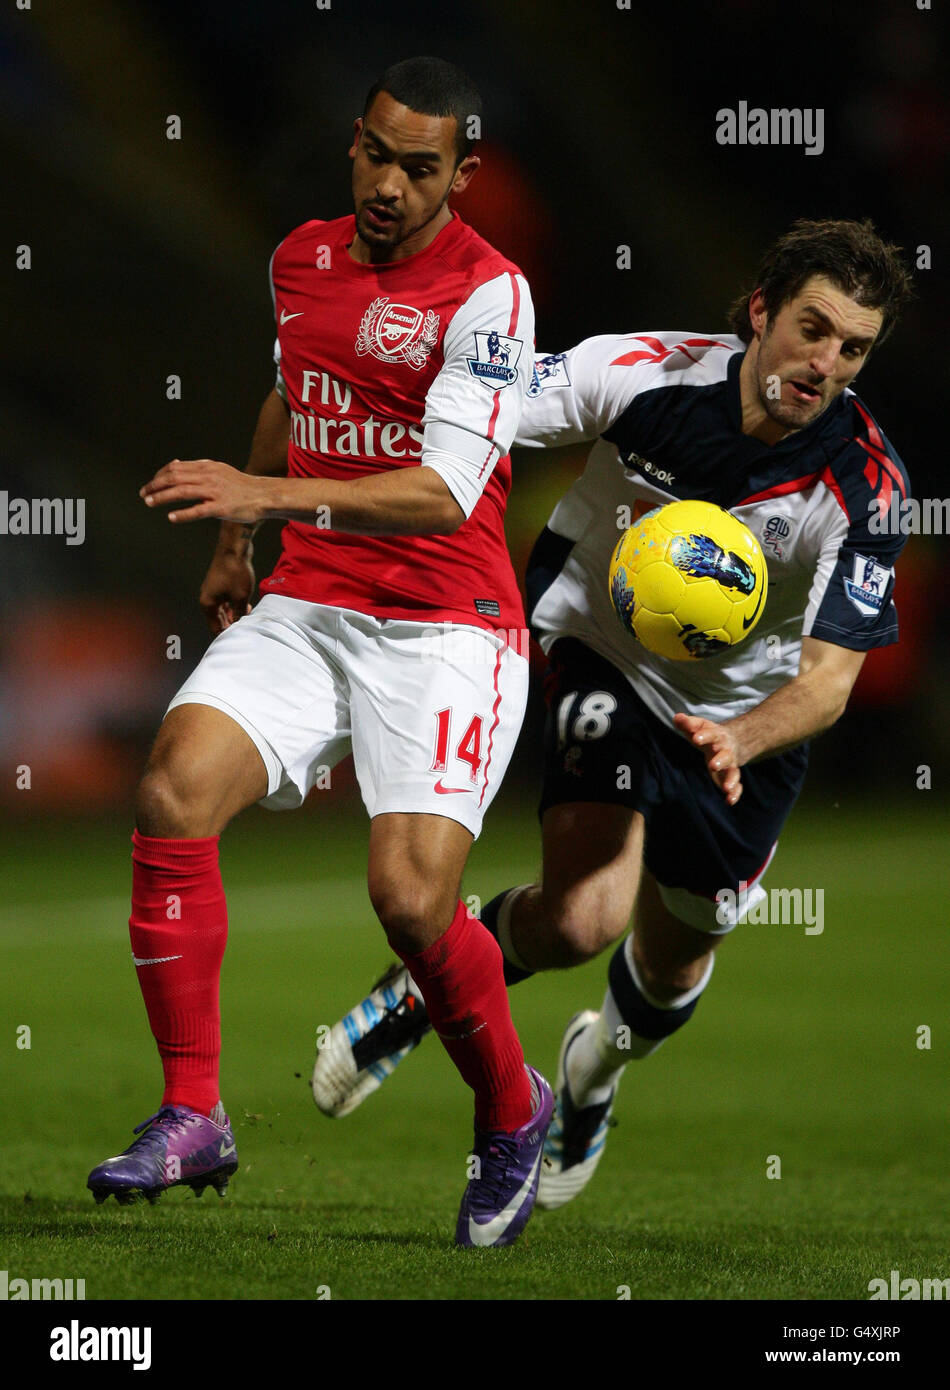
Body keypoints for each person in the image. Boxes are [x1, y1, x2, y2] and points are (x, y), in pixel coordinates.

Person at [310, 217, 913, 1209]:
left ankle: (591, 1077)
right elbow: (475, 414)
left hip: (745, 720)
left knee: (672, 968)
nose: (825, 362)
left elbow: (828, 680)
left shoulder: (866, 486)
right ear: (759, 311)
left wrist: (739, 738)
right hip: (600, 649)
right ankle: (422, 986)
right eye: (812, 328)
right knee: (584, 911)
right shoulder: (640, 374)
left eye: (852, 348)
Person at [87, 55, 554, 1250]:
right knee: (171, 785)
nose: (391, 185)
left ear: (462, 172)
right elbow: (296, 389)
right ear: (352, 142)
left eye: (420, 167)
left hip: (448, 624)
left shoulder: (489, 295)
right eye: (376, 155)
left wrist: (260, 490)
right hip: (312, 599)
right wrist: (243, 536)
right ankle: (193, 1109)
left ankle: (511, 1110)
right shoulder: (300, 256)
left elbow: (450, 491)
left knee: (408, 900)